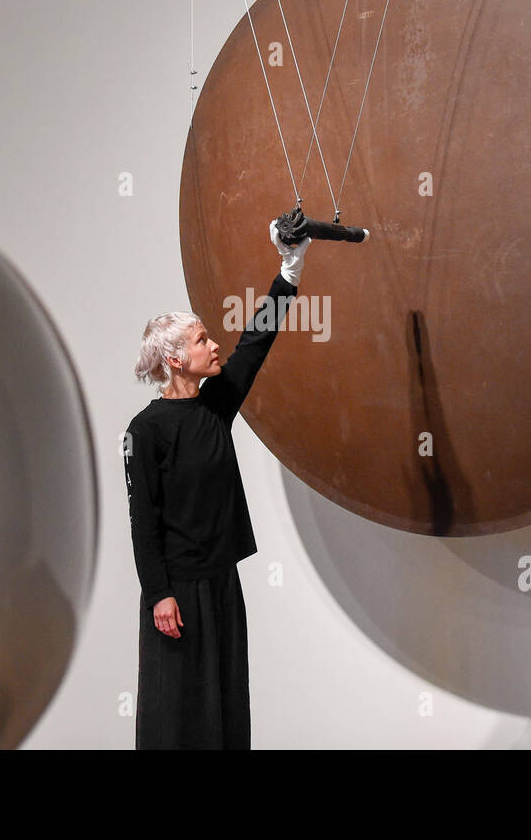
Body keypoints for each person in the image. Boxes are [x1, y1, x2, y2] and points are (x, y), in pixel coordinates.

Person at [125, 219, 312, 749]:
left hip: (221, 582)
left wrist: (288, 269)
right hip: (175, 592)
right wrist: (158, 593)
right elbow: (144, 520)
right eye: (201, 339)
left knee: (225, 701)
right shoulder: (146, 431)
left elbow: (257, 341)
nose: (214, 345)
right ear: (175, 359)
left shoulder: (215, 407)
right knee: (177, 708)